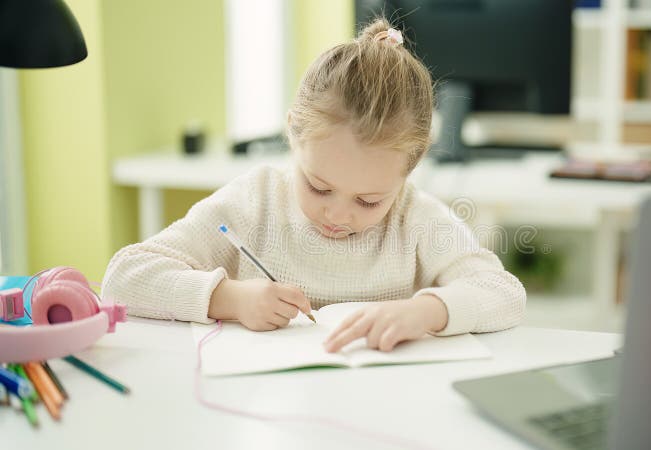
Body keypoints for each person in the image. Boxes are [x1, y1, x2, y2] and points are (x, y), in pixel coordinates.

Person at [101, 17, 526, 353]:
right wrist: (229, 298)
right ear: (293, 134)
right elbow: (123, 277)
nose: (339, 215)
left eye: (369, 200)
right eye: (319, 188)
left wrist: (429, 310)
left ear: (409, 171)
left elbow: (503, 293)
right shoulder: (255, 201)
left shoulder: (415, 218)